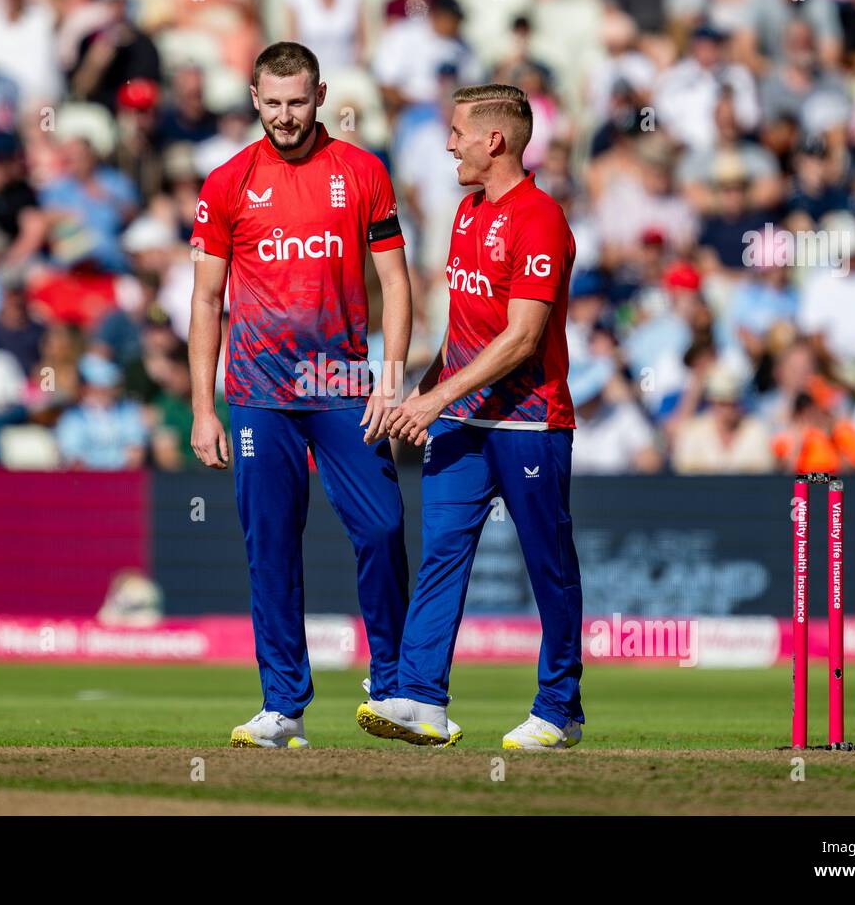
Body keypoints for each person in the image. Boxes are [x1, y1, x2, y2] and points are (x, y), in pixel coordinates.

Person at [188, 42, 417, 748]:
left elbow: (398, 282)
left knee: (381, 527)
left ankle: (397, 688)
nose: (285, 117)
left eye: (297, 102)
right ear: (254, 99)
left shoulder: (362, 171)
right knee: (272, 548)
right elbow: (205, 299)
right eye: (272, 103)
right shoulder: (227, 182)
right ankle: (283, 708)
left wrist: (395, 370)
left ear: (319, 96)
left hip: (344, 385)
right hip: (258, 391)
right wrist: (204, 407)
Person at [360, 83, 584, 751]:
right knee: (442, 554)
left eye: (457, 132)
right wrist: (422, 390)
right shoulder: (466, 212)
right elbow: (465, 329)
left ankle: (559, 708)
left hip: (528, 421)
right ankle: (422, 699)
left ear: (495, 140)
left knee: (549, 563)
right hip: (461, 421)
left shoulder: (540, 217)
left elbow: (521, 338)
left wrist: (434, 399)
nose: (448, 142)